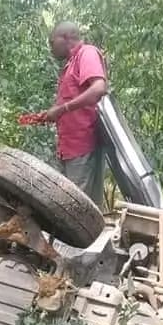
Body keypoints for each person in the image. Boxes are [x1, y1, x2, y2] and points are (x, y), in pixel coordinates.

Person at [21, 21, 108, 207]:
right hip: (68, 149)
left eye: (52, 43)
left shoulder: (87, 53)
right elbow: (74, 102)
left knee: (77, 209)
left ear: (66, 38)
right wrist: (51, 114)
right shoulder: (71, 64)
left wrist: (61, 109)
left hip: (83, 147)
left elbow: (99, 88)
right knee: (66, 205)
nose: (51, 49)